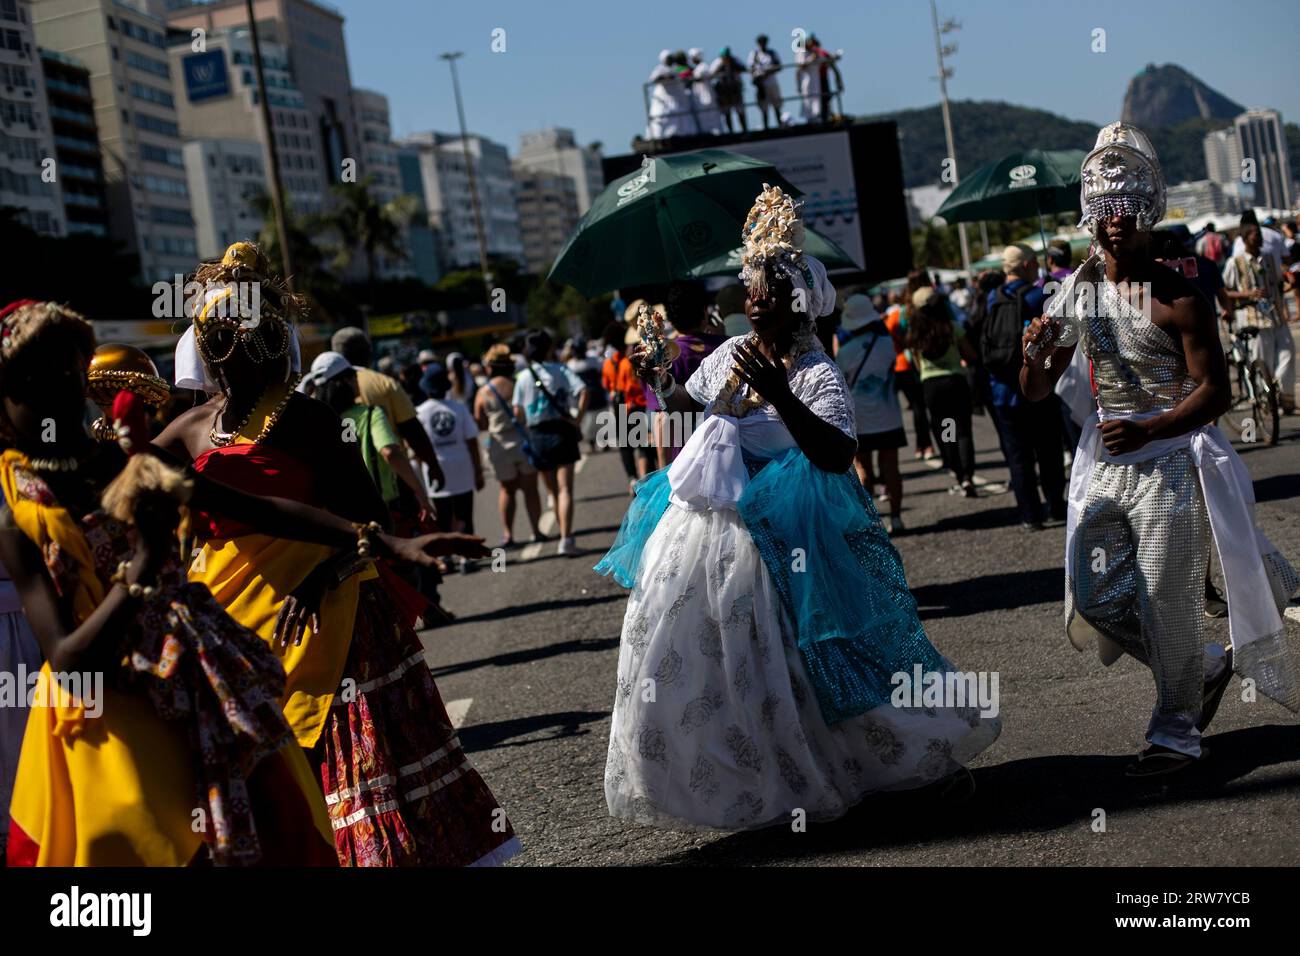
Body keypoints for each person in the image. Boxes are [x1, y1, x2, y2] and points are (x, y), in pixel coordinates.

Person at [594, 185, 1000, 830]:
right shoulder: (729, 353)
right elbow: (688, 411)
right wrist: (663, 379)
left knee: (805, 656)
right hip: (705, 531)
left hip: (789, 536)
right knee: (707, 658)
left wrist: (781, 394)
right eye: (749, 290)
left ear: (798, 302)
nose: (751, 302)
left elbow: (837, 452)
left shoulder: (815, 372)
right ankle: (741, 778)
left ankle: (886, 757)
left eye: (765, 292)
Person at [157, 243, 521, 866]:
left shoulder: (305, 419)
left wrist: (321, 574)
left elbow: (365, 518)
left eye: (256, 338)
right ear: (210, 347)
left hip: (332, 615)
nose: (242, 354)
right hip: (237, 627)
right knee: (269, 766)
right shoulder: (190, 430)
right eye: (227, 339)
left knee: (353, 761)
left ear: (273, 342)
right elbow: (133, 489)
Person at [0, 299, 342, 866]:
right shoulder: (16, 510)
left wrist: (372, 537)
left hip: (197, 676)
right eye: (38, 375)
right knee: (140, 851)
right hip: (106, 712)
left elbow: (254, 507)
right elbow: (67, 658)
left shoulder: (119, 463)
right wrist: (145, 565)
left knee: (263, 829)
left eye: (71, 369)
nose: (61, 388)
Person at [1022, 123, 1299, 776]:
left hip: (1173, 459)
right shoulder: (1077, 293)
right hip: (1108, 465)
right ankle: (1200, 665)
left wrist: (1151, 428)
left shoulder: (1181, 300)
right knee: (1095, 598)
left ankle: (1176, 732)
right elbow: (1034, 389)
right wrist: (1032, 350)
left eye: (1128, 211)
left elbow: (1216, 392)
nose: (1116, 223)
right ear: (1092, 215)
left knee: (1166, 600)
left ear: (1146, 216)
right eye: (1105, 210)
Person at [981, 244, 1066, 530]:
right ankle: (1055, 504)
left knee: (1018, 456)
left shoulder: (991, 297)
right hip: (1036, 385)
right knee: (1048, 450)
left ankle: (1030, 515)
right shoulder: (1037, 295)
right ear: (1029, 265)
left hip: (1002, 391)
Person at [304, 351, 434, 523]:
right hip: (379, 509)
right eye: (354, 376)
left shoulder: (316, 422)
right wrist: (419, 491)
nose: (358, 380)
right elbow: (390, 452)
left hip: (340, 515)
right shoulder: (371, 414)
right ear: (345, 381)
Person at [330, 327, 446, 507]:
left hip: (345, 487)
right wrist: (433, 465)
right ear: (368, 352)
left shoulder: (324, 388)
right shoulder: (383, 383)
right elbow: (411, 430)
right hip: (393, 483)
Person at [834, 293, 906, 532]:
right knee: (891, 467)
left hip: (860, 420)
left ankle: (873, 522)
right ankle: (896, 517)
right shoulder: (887, 345)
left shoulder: (844, 352)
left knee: (862, 468)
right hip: (889, 415)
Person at [514, 329, 587, 556]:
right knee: (566, 488)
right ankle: (566, 538)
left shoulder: (523, 377)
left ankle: (562, 532)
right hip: (562, 430)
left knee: (553, 491)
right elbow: (584, 391)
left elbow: (517, 411)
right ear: (548, 348)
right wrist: (576, 419)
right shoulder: (560, 370)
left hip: (537, 435)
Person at [646, 282, 728, 467]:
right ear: (705, 312)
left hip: (687, 463)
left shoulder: (664, 358)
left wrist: (664, 473)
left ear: (671, 320)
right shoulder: (729, 346)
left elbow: (662, 419)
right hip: (732, 456)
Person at [1222, 216, 1297, 413]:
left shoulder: (1270, 259)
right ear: (1246, 237)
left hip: (1276, 316)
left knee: (1288, 353)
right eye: (1255, 234)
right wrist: (1247, 294)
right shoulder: (1234, 263)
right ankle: (1266, 398)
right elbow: (1225, 291)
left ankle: (1276, 392)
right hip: (1252, 320)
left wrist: (1289, 283)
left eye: (1259, 233)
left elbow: (1279, 284)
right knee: (1263, 361)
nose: (1259, 237)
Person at [908, 288, 978, 497]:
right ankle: (967, 476)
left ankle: (956, 471)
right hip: (955, 381)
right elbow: (971, 354)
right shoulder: (952, 327)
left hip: (932, 386)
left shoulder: (915, 335)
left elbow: (918, 365)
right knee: (964, 430)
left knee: (947, 430)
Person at [474, 343, 544, 548]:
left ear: (491, 366)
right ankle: (536, 531)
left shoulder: (484, 391)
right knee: (531, 489)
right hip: (524, 440)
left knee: (507, 490)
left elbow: (480, 420)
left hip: (499, 445)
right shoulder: (519, 384)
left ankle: (508, 534)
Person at [417, 362, 485, 571]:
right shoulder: (459, 408)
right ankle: (467, 557)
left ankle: (446, 557)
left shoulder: (420, 412)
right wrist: (478, 470)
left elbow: (418, 448)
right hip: (462, 467)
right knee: (465, 514)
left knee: (443, 518)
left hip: (436, 470)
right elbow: (472, 440)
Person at [884, 284, 935, 460]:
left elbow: (886, 335)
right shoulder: (919, 314)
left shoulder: (895, 316)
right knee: (924, 407)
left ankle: (922, 446)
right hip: (920, 363)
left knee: (917, 407)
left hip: (902, 365)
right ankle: (930, 445)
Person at [646, 50, 697, 140]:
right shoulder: (659, 69)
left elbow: (686, 74)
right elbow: (653, 79)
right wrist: (667, 77)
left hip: (678, 101)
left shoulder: (676, 69)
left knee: (683, 120)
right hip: (664, 103)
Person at [748, 34, 783, 129]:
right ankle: (766, 127)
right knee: (764, 106)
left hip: (772, 82)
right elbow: (751, 68)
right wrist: (759, 75)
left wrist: (768, 72)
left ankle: (780, 124)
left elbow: (779, 66)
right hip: (761, 85)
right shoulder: (754, 54)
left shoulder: (772, 53)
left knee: (776, 104)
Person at [710, 47, 747, 133]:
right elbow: (711, 75)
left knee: (740, 110)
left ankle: (744, 130)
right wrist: (721, 67)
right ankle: (731, 131)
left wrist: (734, 65)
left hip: (735, 89)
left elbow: (744, 68)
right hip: (724, 91)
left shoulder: (735, 60)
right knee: (727, 112)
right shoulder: (717, 62)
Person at [687, 48, 722, 135]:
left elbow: (699, 77)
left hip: (707, 97)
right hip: (701, 98)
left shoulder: (703, 67)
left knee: (711, 117)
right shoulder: (698, 68)